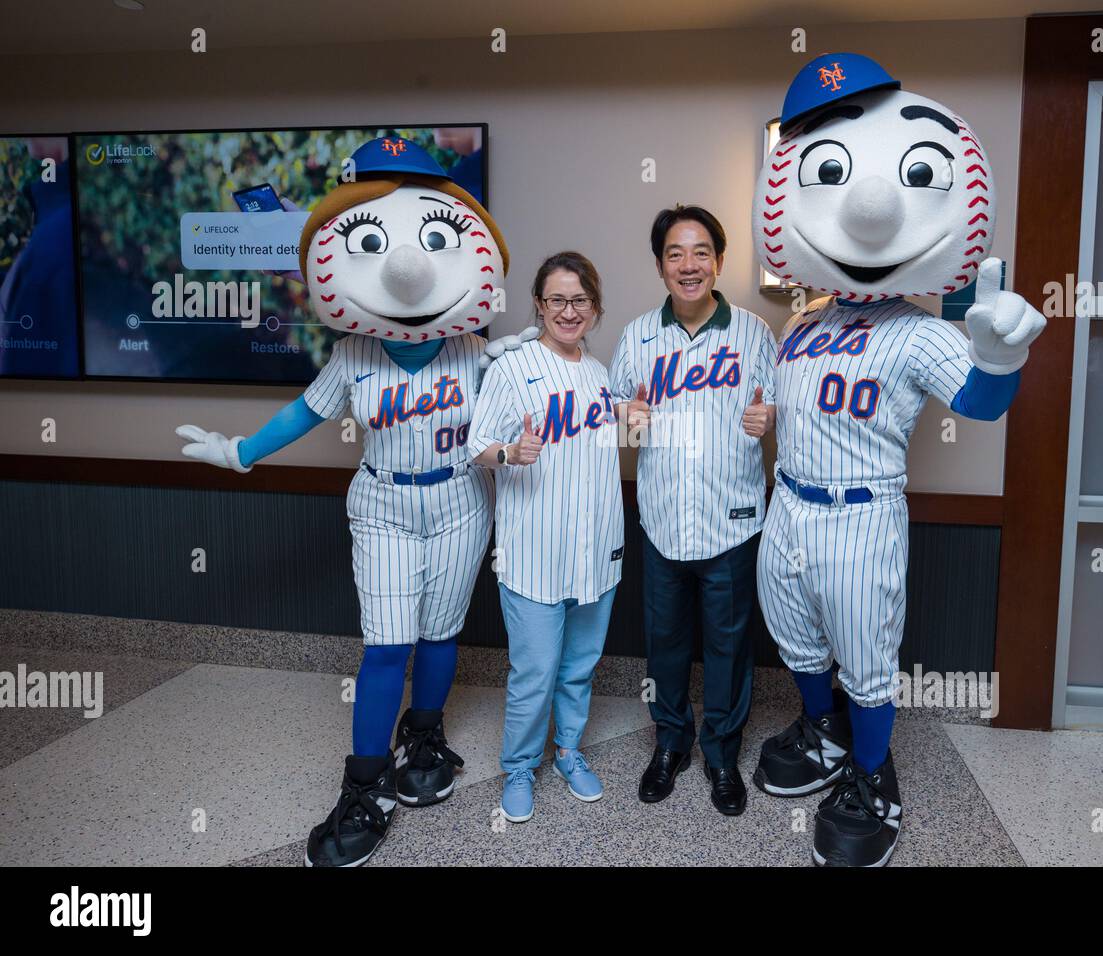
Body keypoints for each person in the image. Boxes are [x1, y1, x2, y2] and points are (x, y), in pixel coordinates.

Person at [176, 136, 527, 867]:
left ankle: (423, 734)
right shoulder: (355, 353)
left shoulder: (472, 346)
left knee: (440, 634)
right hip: (384, 504)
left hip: (463, 500)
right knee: (387, 647)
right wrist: (241, 452)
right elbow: (304, 412)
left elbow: (523, 404)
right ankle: (363, 787)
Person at [749, 53, 1046, 866]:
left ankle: (875, 777)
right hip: (790, 504)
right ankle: (824, 732)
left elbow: (982, 406)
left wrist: (1000, 360)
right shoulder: (803, 321)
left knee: (867, 660)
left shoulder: (919, 329)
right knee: (799, 641)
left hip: (860, 511)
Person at [609, 205, 775, 815]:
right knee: (666, 646)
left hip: (732, 521)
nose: (689, 264)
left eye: (701, 251)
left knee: (730, 647)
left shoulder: (755, 333)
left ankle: (723, 754)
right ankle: (669, 744)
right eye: (675, 254)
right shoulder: (637, 337)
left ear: (719, 261)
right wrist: (629, 419)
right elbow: (613, 416)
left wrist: (769, 418)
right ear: (659, 266)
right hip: (661, 523)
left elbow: (781, 405)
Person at [468, 251, 625, 824]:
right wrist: (510, 452)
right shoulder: (513, 368)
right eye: (556, 299)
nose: (567, 310)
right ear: (538, 304)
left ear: (594, 307)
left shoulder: (600, 373)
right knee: (534, 671)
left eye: (578, 300)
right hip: (533, 552)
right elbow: (474, 446)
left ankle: (569, 751)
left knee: (579, 666)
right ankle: (518, 766)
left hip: (596, 552)